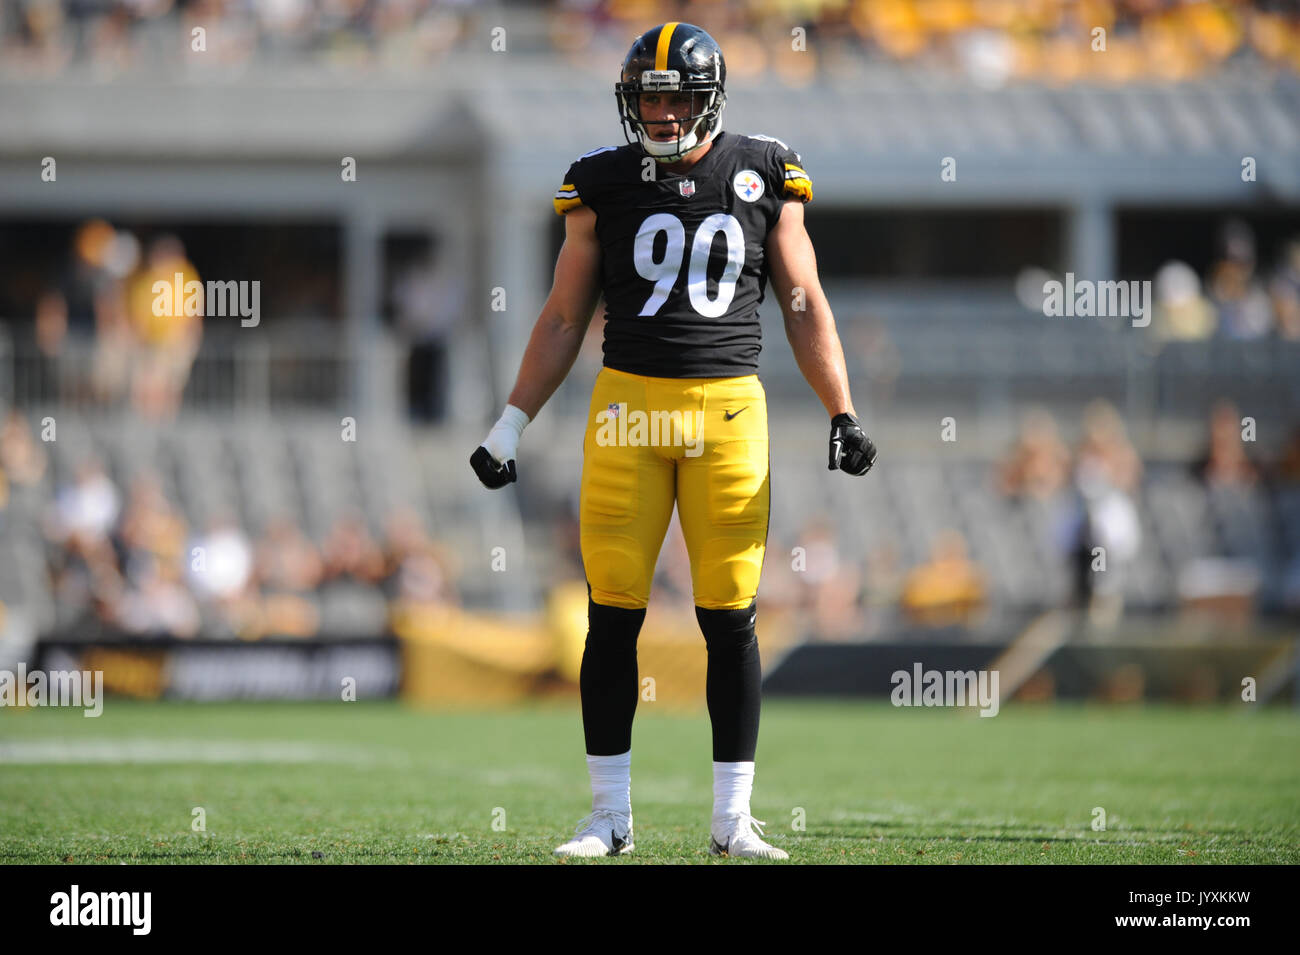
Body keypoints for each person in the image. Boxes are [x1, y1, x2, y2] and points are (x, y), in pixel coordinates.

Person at [470, 22, 876, 860]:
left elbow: (802, 300)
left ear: (710, 99)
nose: (658, 113)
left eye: (673, 97)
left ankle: (733, 820)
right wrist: (511, 422)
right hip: (627, 412)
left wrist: (842, 409)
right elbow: (561, 316)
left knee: (729, 616)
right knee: (611, 614)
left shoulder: (764, 169)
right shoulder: (601, 183)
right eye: (646, 98)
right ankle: (608, 817)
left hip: (729, 413)